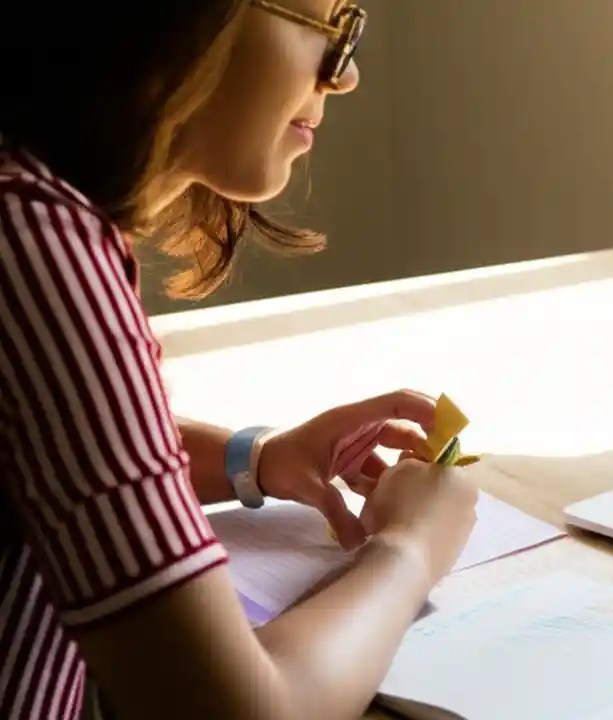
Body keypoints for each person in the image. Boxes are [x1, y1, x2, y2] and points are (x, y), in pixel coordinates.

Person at [0, 2, 482, 719]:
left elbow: (43, 442)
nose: (343, 75)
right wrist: (410, 550)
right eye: (332, 24)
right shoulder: (33, 248)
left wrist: (252, 458)